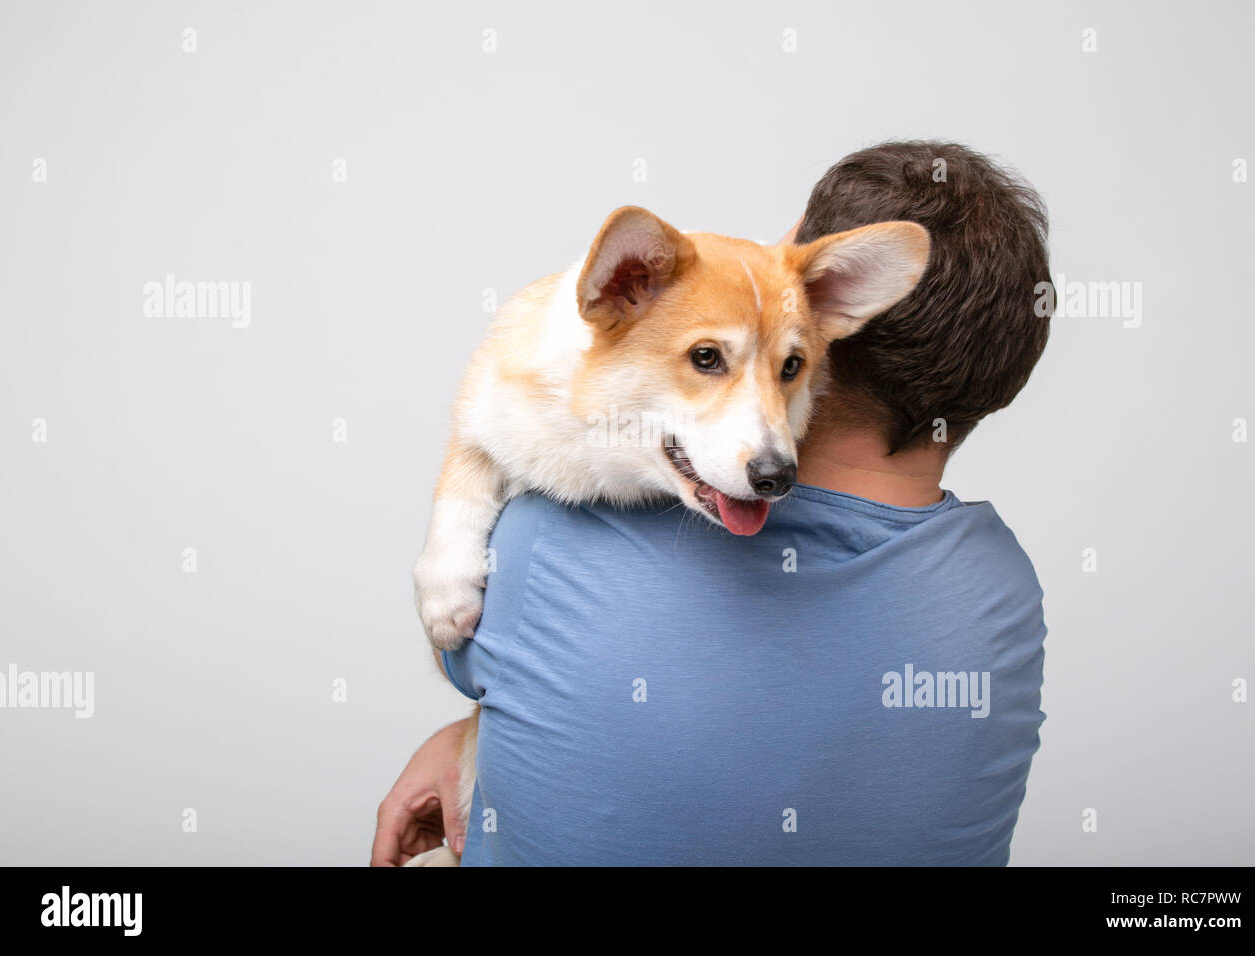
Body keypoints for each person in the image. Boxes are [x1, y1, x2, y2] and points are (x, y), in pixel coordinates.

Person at [372, 141, 1053, 866]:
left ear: (831, 318)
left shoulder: (553, 545)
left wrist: (466, 739)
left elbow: (499, 665)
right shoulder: (1006, 595)